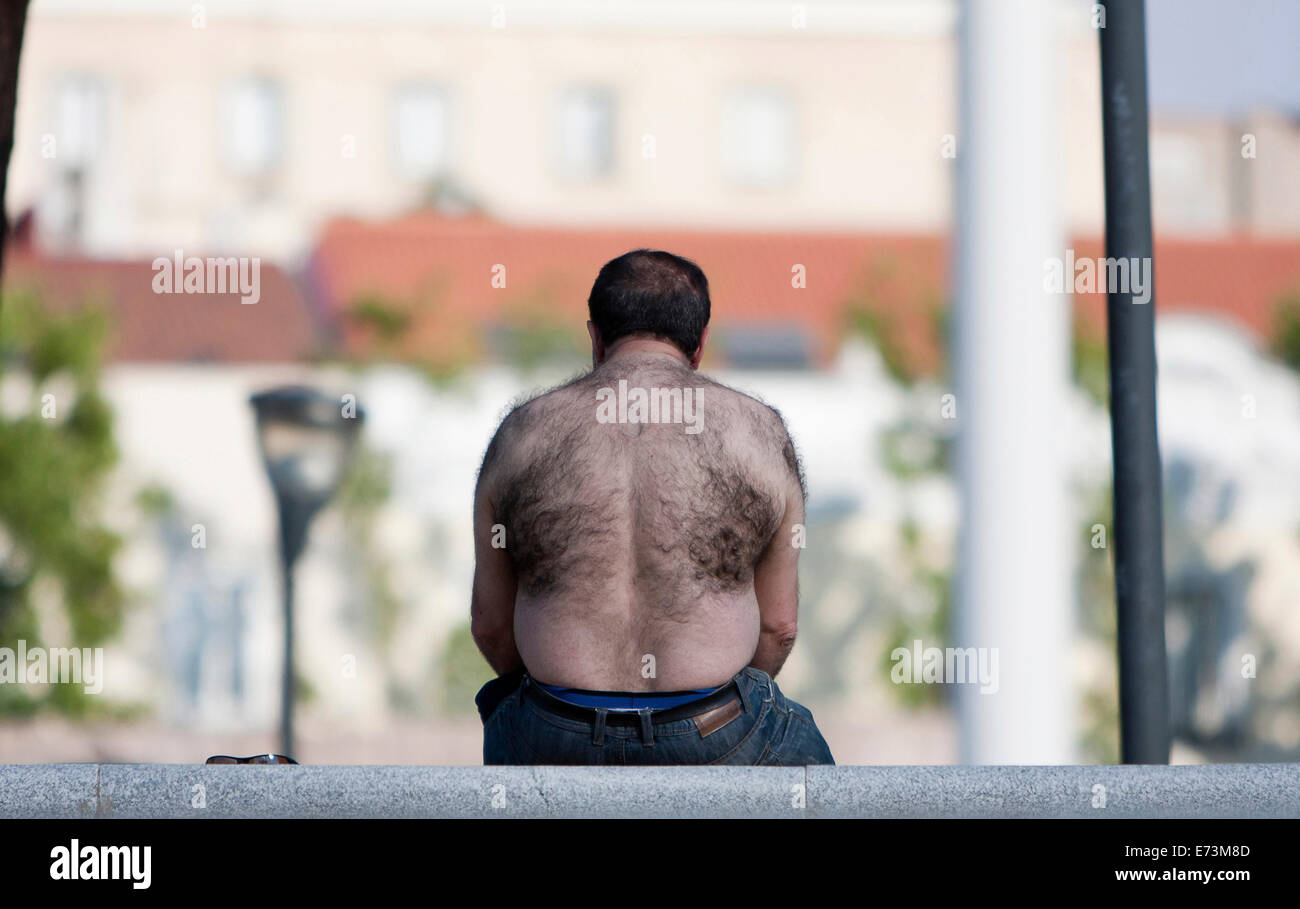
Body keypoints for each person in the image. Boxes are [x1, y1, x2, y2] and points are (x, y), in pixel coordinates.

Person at [471, 249, 834, 765]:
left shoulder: (522, 434)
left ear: (595, 337)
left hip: (553, 735)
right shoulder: (757, 432)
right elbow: (779, 627)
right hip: (716, 731)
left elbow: (490, 625)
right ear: (700, 343)